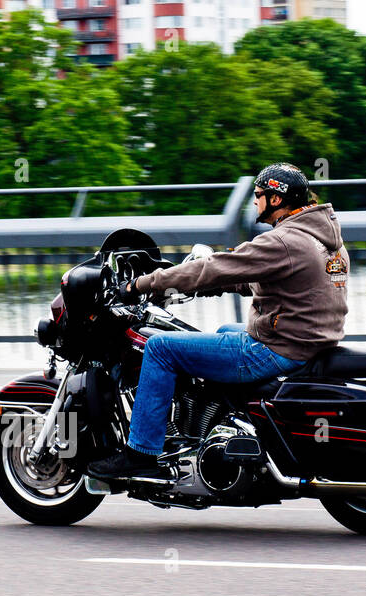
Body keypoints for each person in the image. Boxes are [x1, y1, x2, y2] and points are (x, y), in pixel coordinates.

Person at [87, 163, 351, 481]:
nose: (255, 202)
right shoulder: (321, 236)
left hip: (279, 348)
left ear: (277, 199)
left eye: (259, 195)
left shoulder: (284, 240)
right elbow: (273, 281)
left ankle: (141, 452)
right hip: (310, 341)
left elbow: (213, 267)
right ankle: (225, 423)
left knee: (159, 348)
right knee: (225, 330)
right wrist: (213, 288)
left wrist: (139, 285)